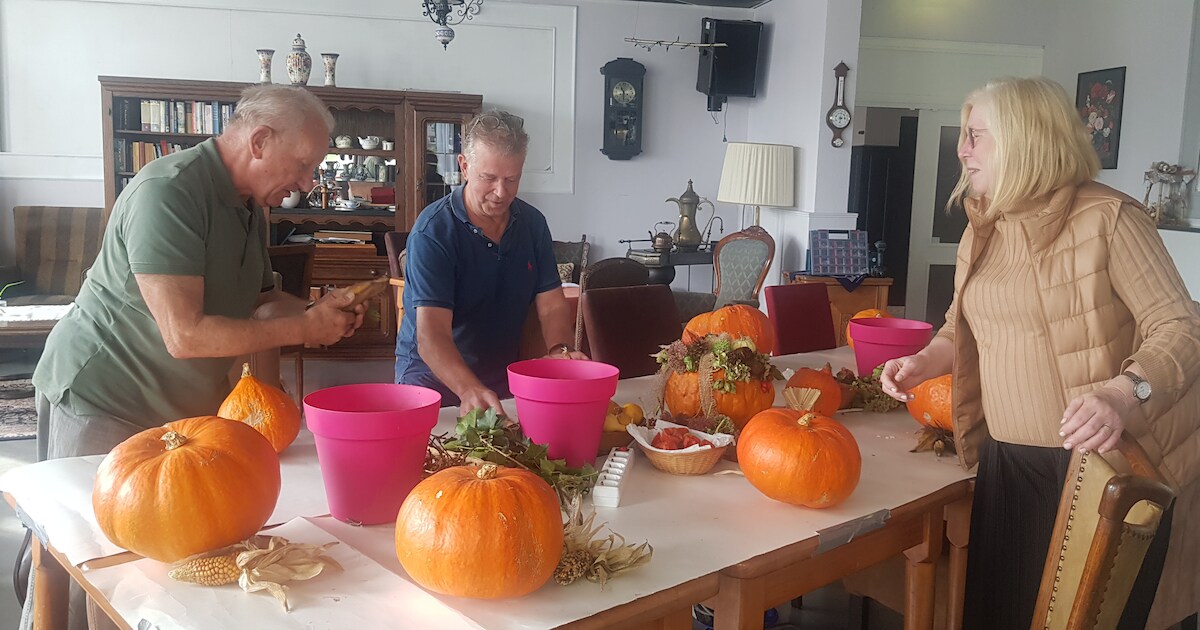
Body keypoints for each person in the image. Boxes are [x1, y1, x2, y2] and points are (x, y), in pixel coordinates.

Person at [880, 76, 1200, 629]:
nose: (962, 150)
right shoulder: (984, 229)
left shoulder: (1110, 219)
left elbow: (1181, 326)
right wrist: (924, 361)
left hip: (1104, 469)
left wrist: (1122, 394)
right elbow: (961, 324)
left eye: (976, 134)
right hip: (1009, 461)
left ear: (1024, 138)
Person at [32, 84, 365, 462]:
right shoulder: (169, 191)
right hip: (103, 401)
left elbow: (262, 302)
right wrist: (305, 329)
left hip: (178, 410)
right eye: (303, 165)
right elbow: (185, 336)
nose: (307, 183)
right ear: (259, 142)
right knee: (92, 504)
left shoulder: (250, 208)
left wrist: (319, 311)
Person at [395, 110, 584, 415]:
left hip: (501, 377)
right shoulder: (433, 232)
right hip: (432, 381)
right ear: (464, 167)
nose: (501, 192)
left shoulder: (533, 224)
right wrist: (469, 389)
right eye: (489, 178)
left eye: (512, 179)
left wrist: (560, 352)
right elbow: (432, 335)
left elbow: (551, 305)